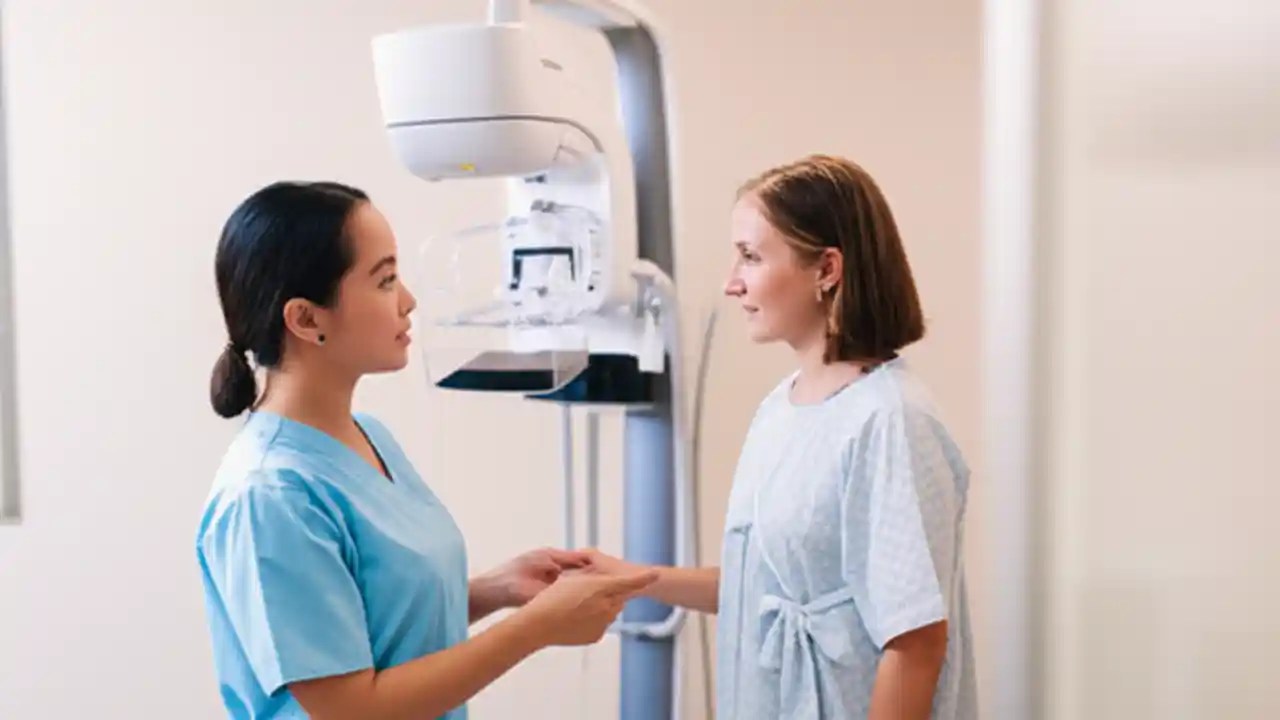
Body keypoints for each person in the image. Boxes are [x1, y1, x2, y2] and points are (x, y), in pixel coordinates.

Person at [196, 180, 657, 720]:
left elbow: (372, 626)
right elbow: (350, 708)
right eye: (385, 279)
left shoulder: (366, 436)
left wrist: (495, 590)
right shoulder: (271, 494)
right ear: (306, 318)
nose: (408, 300)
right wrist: (537, 628)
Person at [584, 155, 977, 719]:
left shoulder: (890, 420)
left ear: (827, 270)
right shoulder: (782, 407)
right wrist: (637, 580)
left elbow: (914, 643)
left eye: (751, 256)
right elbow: (763, 589)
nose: (731, 281)